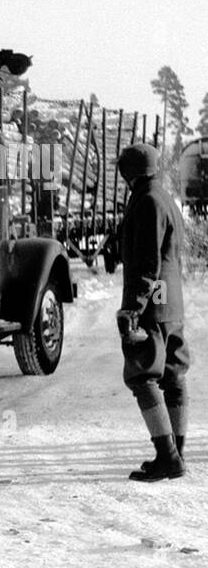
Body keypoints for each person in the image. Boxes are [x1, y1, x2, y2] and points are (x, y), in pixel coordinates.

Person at [115, 142, 190, 482]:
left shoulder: (145, 202)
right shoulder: (167, 199)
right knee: (173, 374)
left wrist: (133, 306)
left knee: (142, 373)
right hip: (172, 300)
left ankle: (168, 457)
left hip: (153, 302)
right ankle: (176, 452)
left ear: (130, 174)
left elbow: (147, 261)